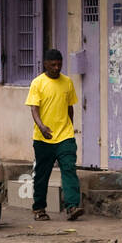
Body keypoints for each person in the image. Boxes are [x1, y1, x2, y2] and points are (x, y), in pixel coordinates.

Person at [26, 48, 84, 221]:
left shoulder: (67, 82)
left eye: (59, 64)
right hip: (43, 138)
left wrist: (70, 129)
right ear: (45, 64)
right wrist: (42, 126)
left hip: (65, 136)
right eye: (53, 65)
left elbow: (70, 107)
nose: (57, 68)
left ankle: (72, 206)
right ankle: (39, 208)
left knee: (69, 169)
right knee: (42, 174)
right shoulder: (38, 83)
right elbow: (34, 109)